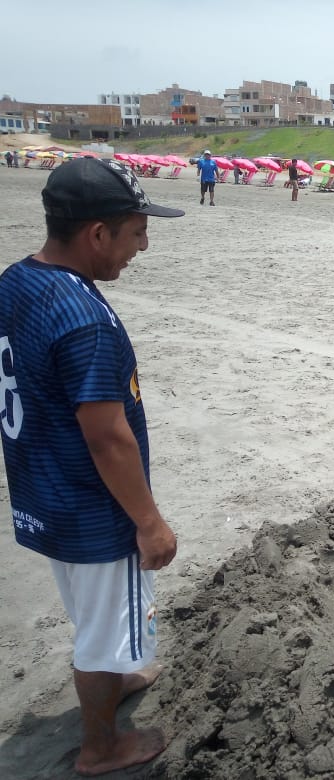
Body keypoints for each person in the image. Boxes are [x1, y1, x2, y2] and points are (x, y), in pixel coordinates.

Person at [0, 157, 184, 775]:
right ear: (97, 234)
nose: (143, 246)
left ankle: (117, 674)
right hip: (94, 505)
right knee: (106, 628)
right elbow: (109, 438)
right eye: (136, 231)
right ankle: (102, 746)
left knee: (92, 613)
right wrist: (149, 521)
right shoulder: (85, 320)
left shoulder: (17, 281)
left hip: (44, 488)